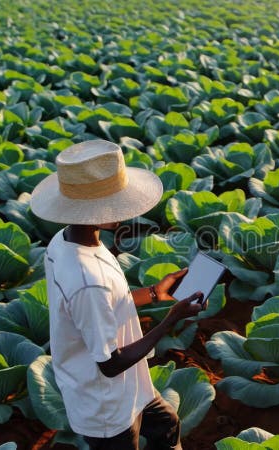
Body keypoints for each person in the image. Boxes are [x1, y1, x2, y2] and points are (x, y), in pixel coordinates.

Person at [29, 139, 204, 450]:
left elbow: (100, 307)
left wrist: (154, 293)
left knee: (167, 425)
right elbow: (109, 363)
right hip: (106, 404)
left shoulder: (65, 240)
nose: (122, 210)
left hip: (130, 386)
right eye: (113, 202)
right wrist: (171, 319)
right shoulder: (86, 279)